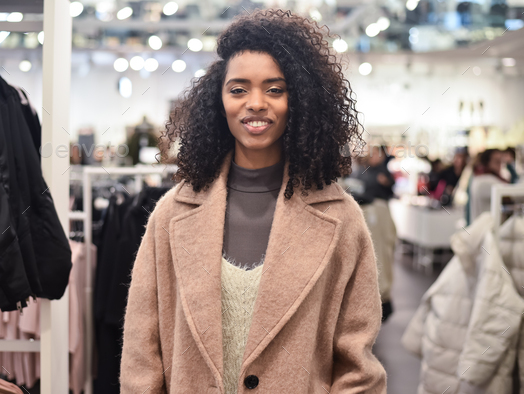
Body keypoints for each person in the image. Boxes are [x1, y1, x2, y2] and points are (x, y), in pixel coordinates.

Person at [120, 9, 386, 394]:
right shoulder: (171, 214)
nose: (256, 103)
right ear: (219, 100)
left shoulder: (341, 219)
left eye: (275, 89)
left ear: (301, 100)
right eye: (239, 89)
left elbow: (358, 367)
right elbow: (142, 355)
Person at [349, 145, 396, 322]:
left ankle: (382, 301)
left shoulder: (383, 173)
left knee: (381, 257)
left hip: (379, 217)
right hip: (370, 217)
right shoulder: (363, 171)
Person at [468, 148, 508, 223]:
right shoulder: (486, 180)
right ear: (487, 162)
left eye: (501, 161)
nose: (500, 165)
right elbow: (513, 194)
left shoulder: (478, 176)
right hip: (487, 230)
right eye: (497, 161)